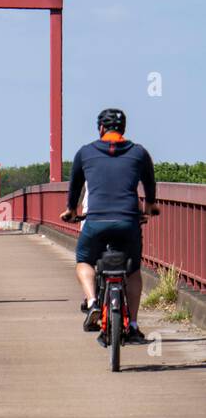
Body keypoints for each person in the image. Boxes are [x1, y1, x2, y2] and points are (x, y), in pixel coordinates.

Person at [60, 108, 158, 345]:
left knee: (84, 260)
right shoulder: (139, 153)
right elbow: (149, 183)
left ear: (101, 128)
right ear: (123, 129)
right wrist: (150, 208)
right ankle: (133, 326)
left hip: (95, 221)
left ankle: (93, 302)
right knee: (133, 270)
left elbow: (75, 186)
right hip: (127, 221)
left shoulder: (85, 153)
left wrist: (72, 210)